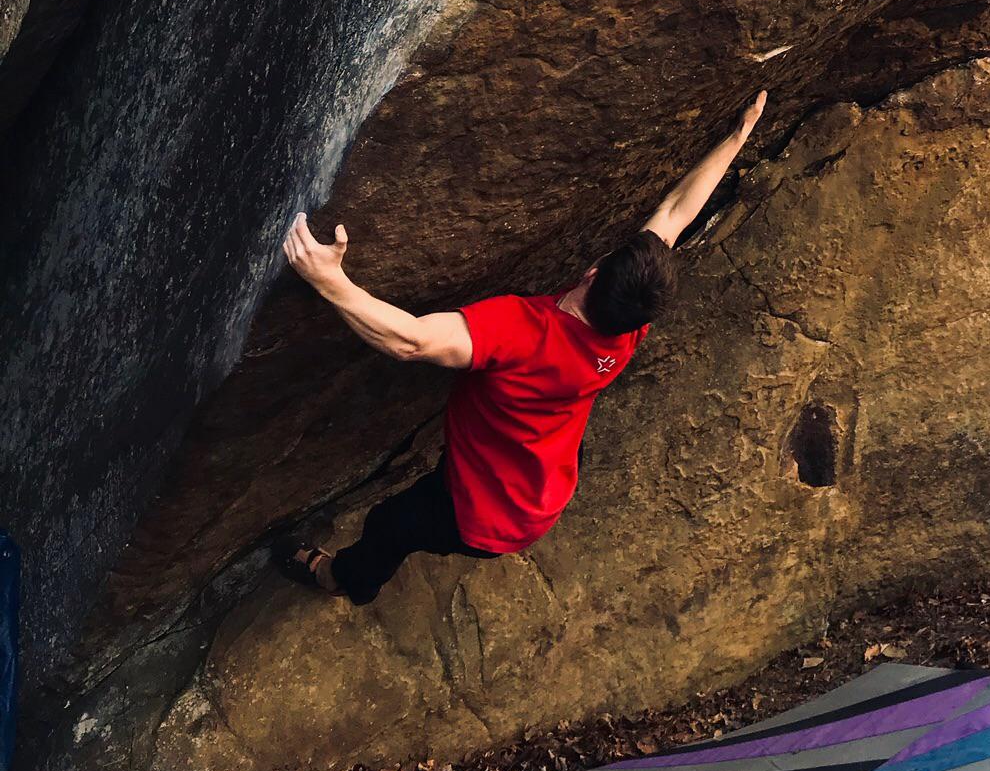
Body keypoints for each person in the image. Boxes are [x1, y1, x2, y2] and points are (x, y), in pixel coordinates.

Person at [276, 89, 768, 604]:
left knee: (390, 524)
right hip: (543, 488)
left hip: (486, 516)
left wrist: (331, 282)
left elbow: (411, 341)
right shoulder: (628, 323)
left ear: (592, 272)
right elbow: (673, 215)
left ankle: (342, 580)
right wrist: (738, 135)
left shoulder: (524, 332)